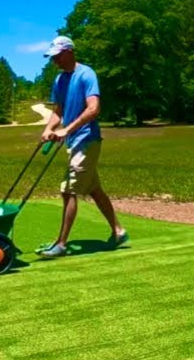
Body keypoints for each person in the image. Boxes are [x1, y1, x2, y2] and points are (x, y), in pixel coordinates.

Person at [35, 36, 128, 258]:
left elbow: (94, 108)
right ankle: (118, 231)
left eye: (57, 56)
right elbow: (58, 110)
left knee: (68, 190)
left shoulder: (87, 74)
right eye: (52, 57)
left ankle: (61, 244)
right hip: (74, 142)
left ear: (68, 52)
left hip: (87, 140)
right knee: (94, 189)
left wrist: (67, 130)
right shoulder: (59, 80)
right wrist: (49, 129)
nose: (54, 60)